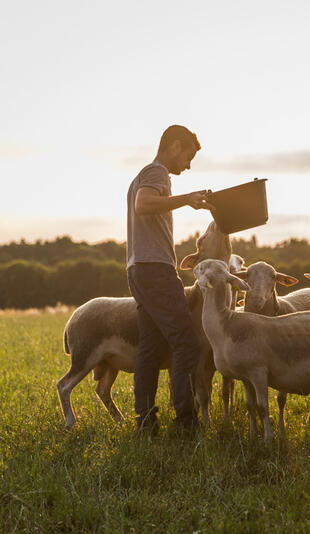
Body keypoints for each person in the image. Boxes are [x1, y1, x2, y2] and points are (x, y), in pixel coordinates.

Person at [126, 124, 214, 434]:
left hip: (139, 269)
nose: (187, 166)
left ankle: (146, 421)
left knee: (150, 347)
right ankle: (185, 422)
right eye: (188, 157)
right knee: (187, 343)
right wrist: (186, 198)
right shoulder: (156, 172)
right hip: (155, 270)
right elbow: (143, 204)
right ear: (175, 146)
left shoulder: (145, 174)